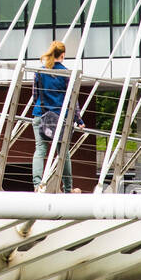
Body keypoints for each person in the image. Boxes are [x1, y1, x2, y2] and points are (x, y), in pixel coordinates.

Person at [31, 40, 84, 192]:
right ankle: (67, 188)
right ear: (63, 55)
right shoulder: (67, 74)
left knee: (40, 150)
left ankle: (37, 185)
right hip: (60, 118)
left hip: (40, 115)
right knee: (63, 153)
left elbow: (35, 96)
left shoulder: (40, 72)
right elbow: (72, 100)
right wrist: (78, 119)